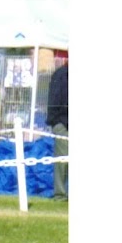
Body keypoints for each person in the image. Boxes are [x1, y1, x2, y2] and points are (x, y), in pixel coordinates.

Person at [46, 55, 68, 200]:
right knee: (63, 159)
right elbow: (54, 102)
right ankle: (60, 194)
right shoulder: (61, 75)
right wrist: (57, 123)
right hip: (62, 123)